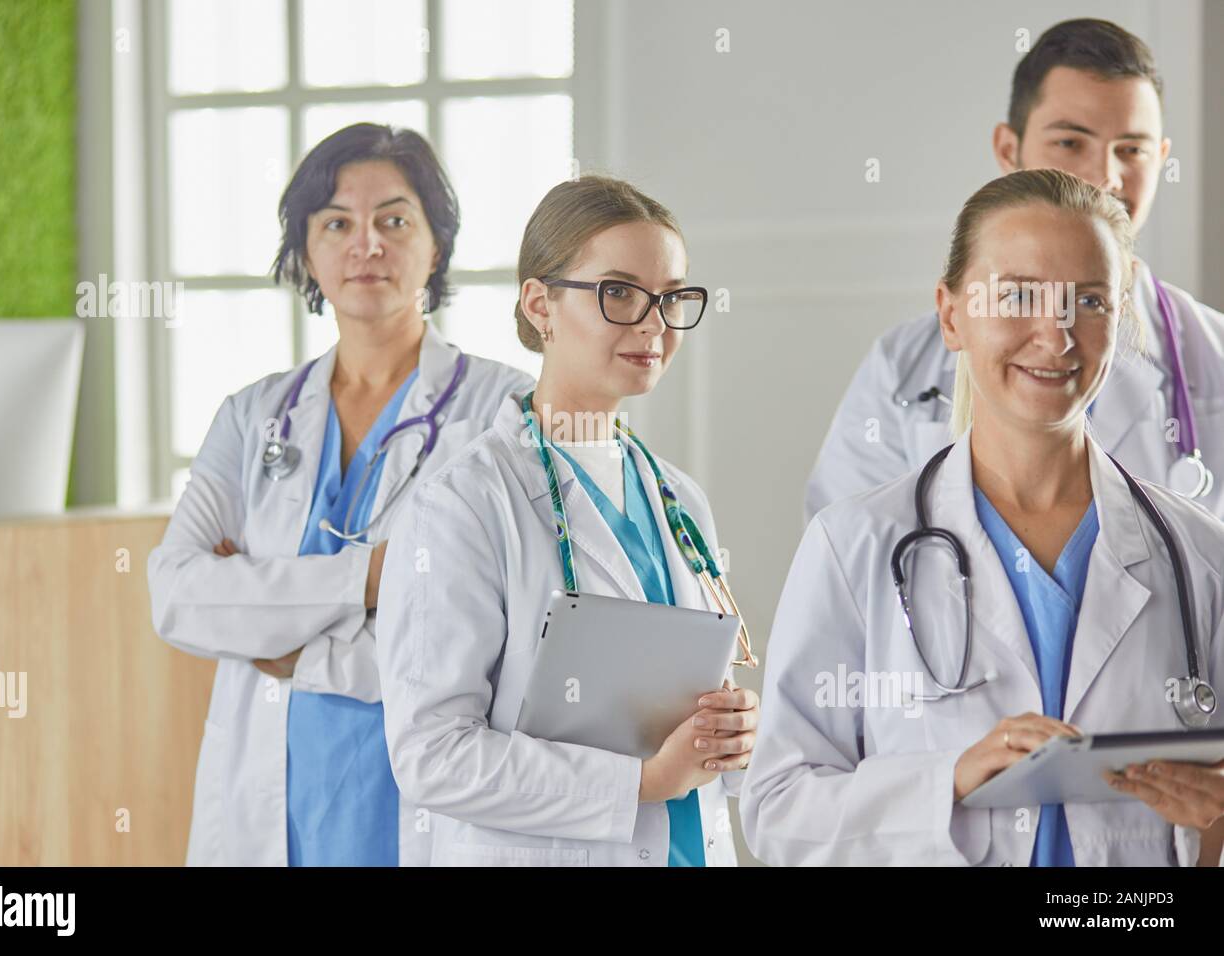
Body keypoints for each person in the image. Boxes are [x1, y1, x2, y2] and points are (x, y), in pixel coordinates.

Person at [741, 168, 1224, 867]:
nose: (1055, 336)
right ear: (951, 314)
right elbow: (778, 810)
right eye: (1018, 294)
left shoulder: (1199, 554)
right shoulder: (855, 547)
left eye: (1089, 300)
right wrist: (949, 781)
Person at [147, 123, 533, 866]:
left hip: (425, 810)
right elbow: (179, 595)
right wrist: (373, 577)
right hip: (273, 811)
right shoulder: (252, 414)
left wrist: (291, 642)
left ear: (436, 246)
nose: (368, 245)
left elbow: (498, 643)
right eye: (337, 224)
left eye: (395, 219)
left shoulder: (502, 412)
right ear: (306, 254)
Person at [376, 175, 760, 866]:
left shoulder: (679, 499)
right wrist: (640, 782)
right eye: (619, 292)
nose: (653, 323)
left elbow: (674, 710)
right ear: (539, 303)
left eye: (671, 297)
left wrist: (726, 734)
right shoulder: (461, 506)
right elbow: (433, 755)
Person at [805, 18, 1224, 523]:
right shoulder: (904, 368)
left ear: (1160, 160)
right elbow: (850, 559)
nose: (1105, 176)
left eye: (1131, 150)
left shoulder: (1214, 357)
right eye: (1071, 142)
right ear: (1009, 149)